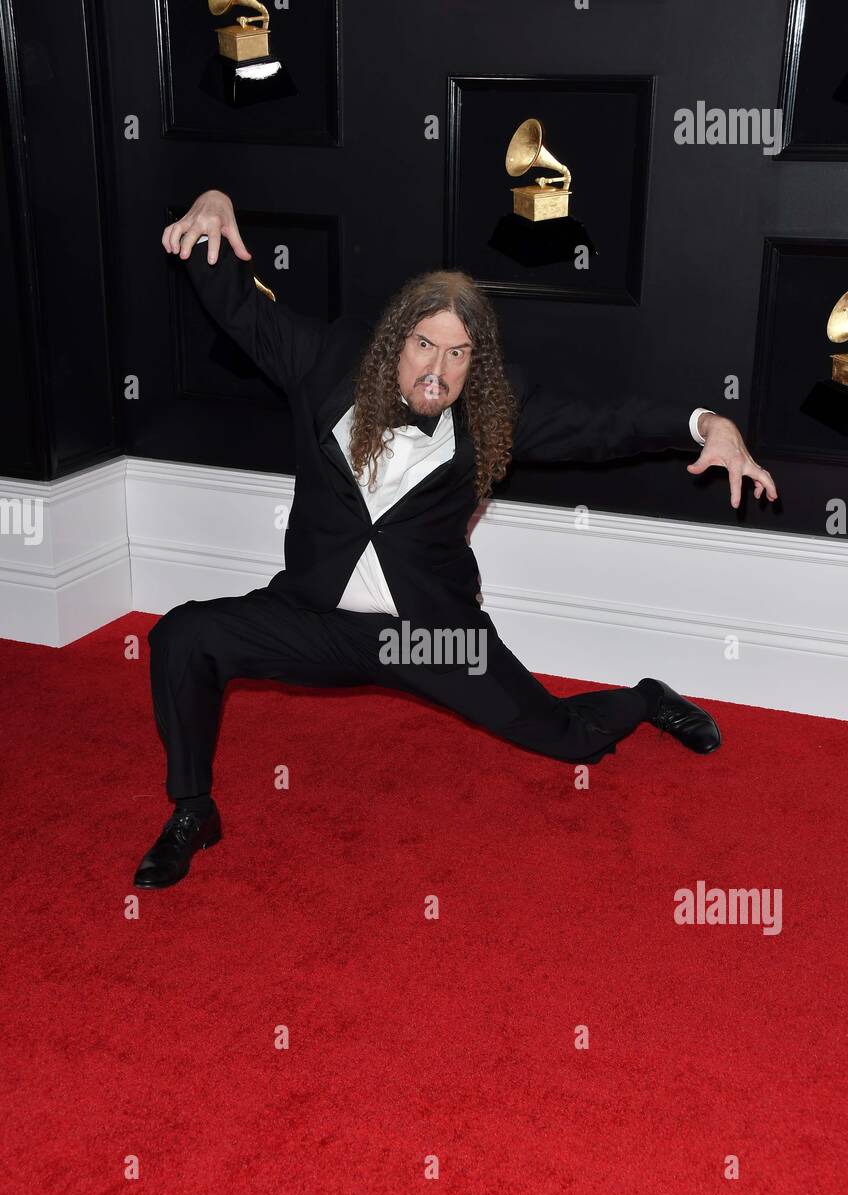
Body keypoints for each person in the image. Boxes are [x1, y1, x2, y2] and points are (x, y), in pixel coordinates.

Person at [134, 189, 779, 889]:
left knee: (565, 739)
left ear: (477, 363)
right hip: (314, 617)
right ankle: (194, 810)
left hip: (428, 633)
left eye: (458, 353)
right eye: (423, 345)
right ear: (394, 343)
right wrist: (214, 205)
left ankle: (645, 698)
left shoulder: (495, 413)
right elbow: (241, 311)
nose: (436, 370)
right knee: (183, 635)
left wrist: (708, 423)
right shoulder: (324, 362)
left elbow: (609, 425)